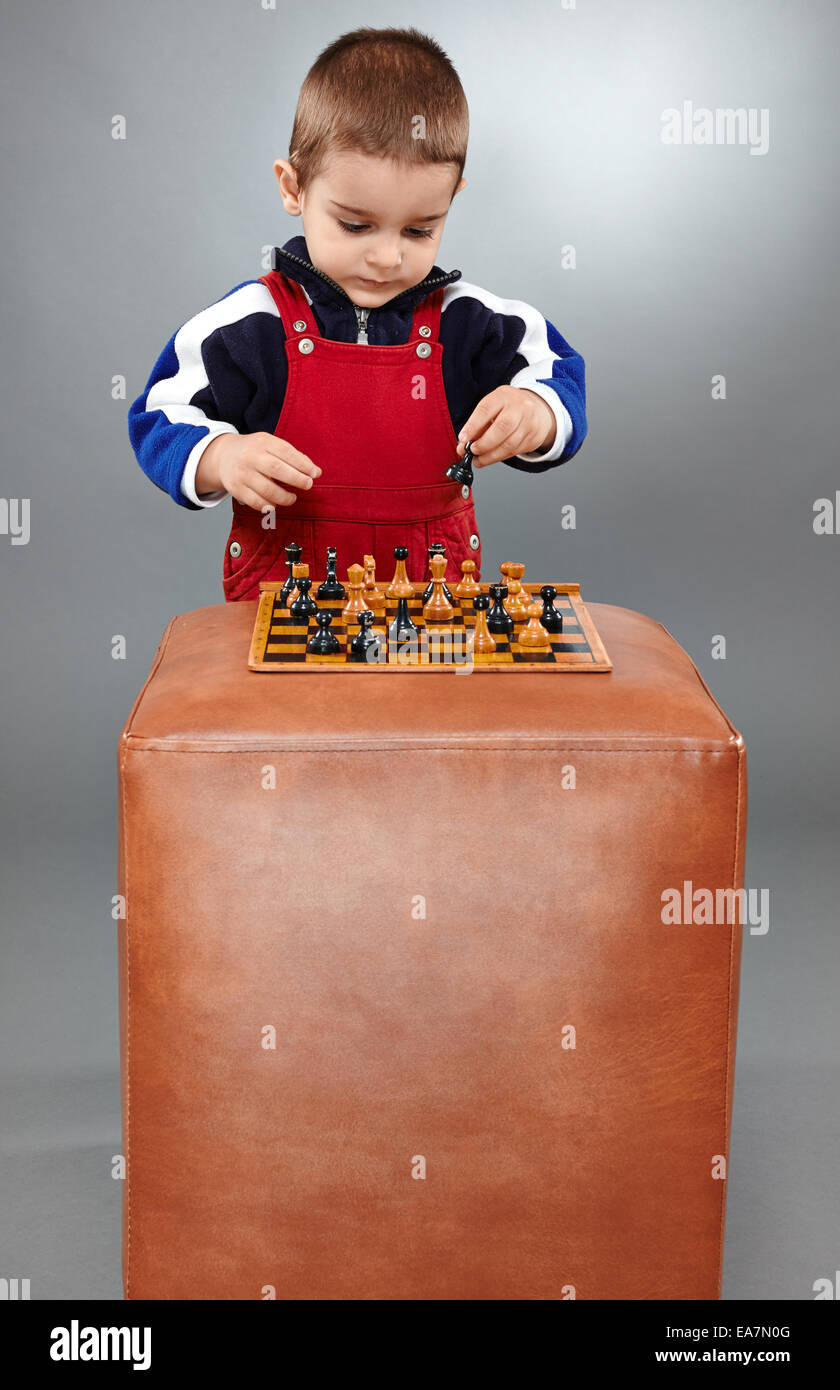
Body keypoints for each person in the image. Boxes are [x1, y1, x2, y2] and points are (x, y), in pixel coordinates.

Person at [128, 25, 587, 601]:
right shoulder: (249, 324)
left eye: (420, 229)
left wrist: (537, 413)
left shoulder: (471, 323)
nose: (387, 256)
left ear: (452, 200)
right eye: (356, 225)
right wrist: (222, 456)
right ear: (293, 187)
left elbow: (559, 373)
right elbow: (158, 414)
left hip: (429, 608)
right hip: (285, 604)